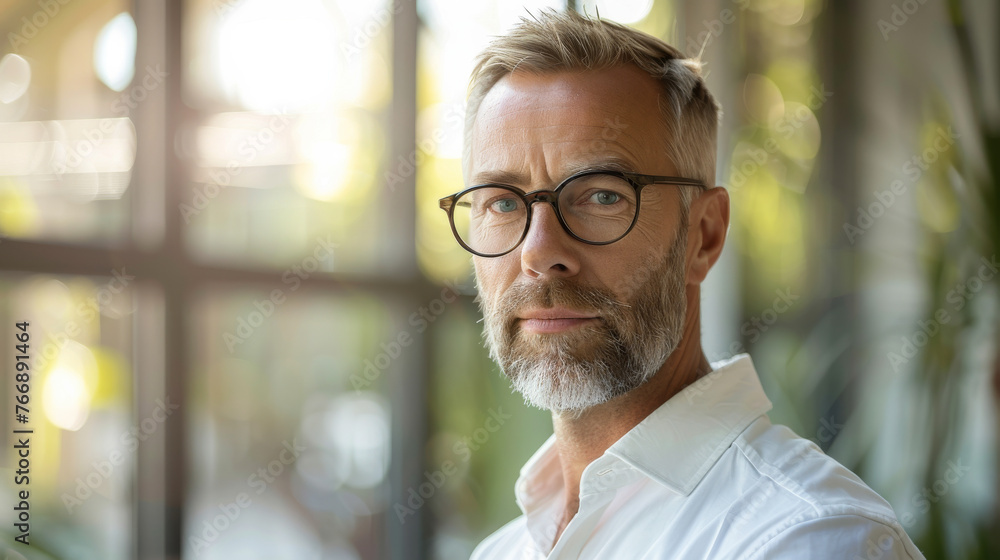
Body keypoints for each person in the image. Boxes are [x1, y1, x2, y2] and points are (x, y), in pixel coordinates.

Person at [437, 10, 925, 560]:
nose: (539, 252)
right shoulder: (500, 553)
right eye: (502, 202)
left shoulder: (811, 539)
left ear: (705, 234)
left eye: (602, 195)